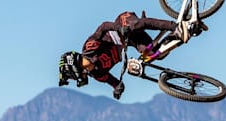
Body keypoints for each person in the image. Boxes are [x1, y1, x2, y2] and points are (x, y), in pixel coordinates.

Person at [57, 11, 204, 100]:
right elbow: (115, 83)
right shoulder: (97, 74)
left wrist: (119, 28)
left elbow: (103, 27)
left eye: (70, 76)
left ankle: (176, 27)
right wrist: (117, 89)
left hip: (122, 24)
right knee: (156, 55)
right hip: (130, 41)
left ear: (72, 66)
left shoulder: (89, 48)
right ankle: (188, 30)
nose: (74, 79)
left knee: (135, 25)